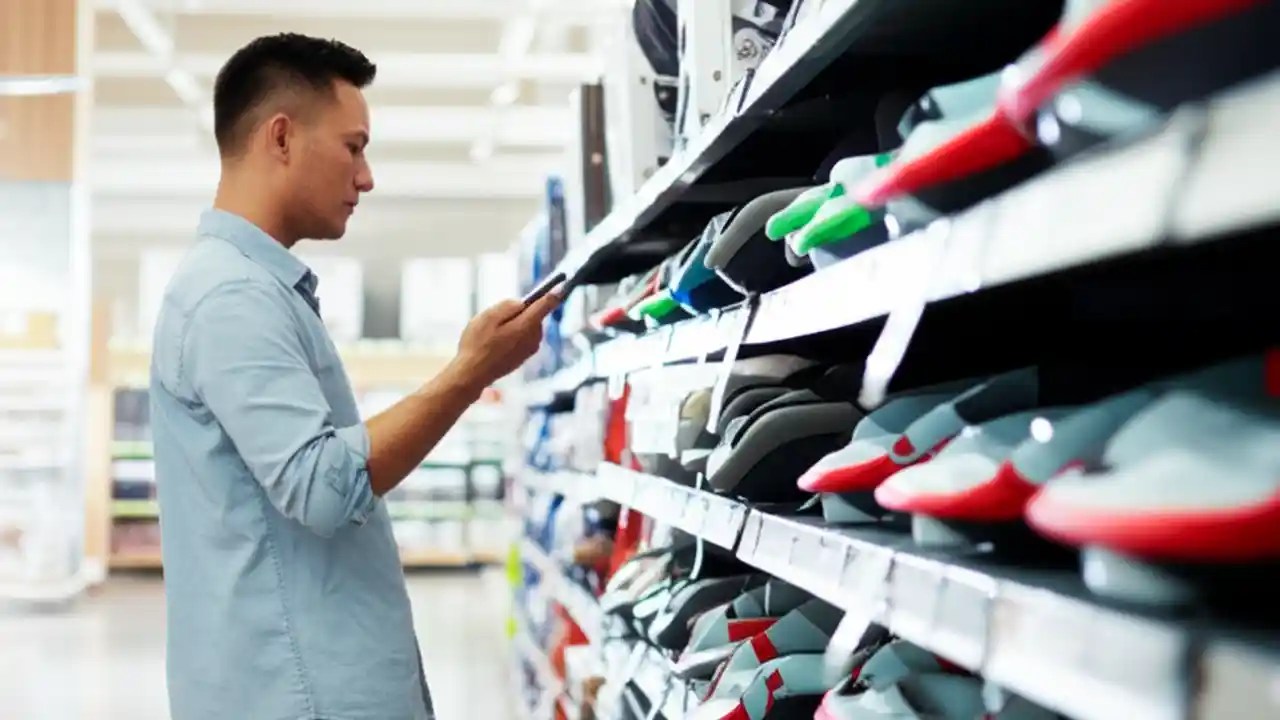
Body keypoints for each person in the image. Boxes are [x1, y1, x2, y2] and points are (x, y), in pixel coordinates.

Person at [149, 33, 559, 720]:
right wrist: (470, 374)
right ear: (281, 138)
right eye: (354, 147)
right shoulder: (231, 298)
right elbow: (321, 487)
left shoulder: (254, 289)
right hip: (300, 695)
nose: (366, 177)